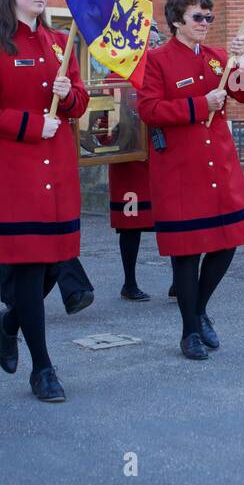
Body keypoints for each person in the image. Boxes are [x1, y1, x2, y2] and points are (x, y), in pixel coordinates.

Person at [0, 0, 90, 402]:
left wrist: (68, 96)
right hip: (16, 172)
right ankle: (43, 368)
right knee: (31, 263)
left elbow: (80, 100)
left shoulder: (61, 42)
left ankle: (11, 322)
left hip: (58, 169)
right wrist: (33, 125)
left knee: (54, 262)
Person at [137, 0, 244, 360]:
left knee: (228, 241)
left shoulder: (217, 56)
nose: (206, 22)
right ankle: (189, 331)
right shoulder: (157, 59)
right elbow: (150, 109)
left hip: (219, 164)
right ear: (176, 21)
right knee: (187, 254)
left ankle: (199, 308)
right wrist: (198, 104)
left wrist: (241, 64)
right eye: (198, 17)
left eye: (209, 16)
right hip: (180, 168)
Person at [103, 28, 167, 301]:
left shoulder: (166, 74)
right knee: (131, 225)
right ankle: (129, 282)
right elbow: (103, 121)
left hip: (161, 155)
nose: (152, 47)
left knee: (172, 220)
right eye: (147, 43)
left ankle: (179, 281)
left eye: (157, 42)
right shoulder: (116, 78)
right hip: (129, 159)